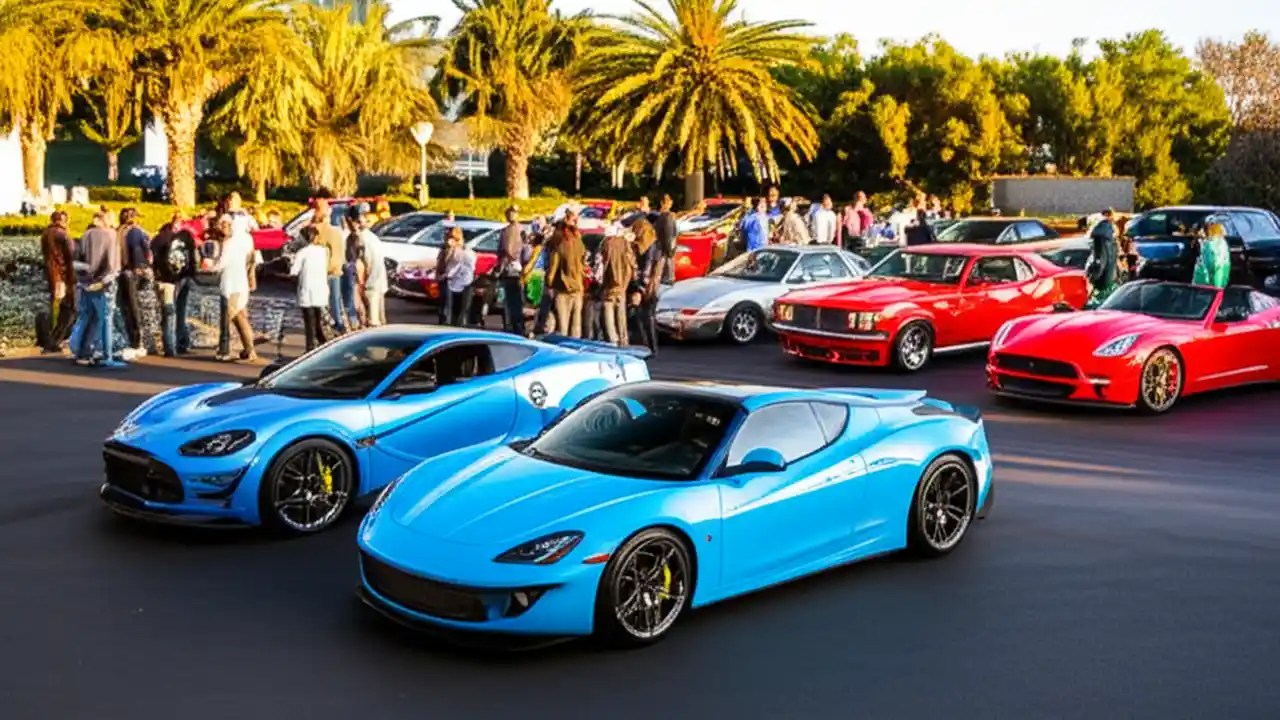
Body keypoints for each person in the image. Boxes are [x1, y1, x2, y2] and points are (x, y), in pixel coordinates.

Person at [72, 212, 124, 367]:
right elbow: (113, 264)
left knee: (88, 317)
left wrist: (85, 278)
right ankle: (106, 355)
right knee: (106, 318)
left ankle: (83, 352)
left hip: (86, 282)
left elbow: (77, 260)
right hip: (103, 283)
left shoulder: (86, 234)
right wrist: (106, 279)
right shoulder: (111, 235)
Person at [214, 213, 260, 362]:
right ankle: (248, 349)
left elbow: (222, 263)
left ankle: (248, 349)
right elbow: (252, 260)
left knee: (237, 317)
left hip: (231, 283)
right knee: (240, 315)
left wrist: (211, 267)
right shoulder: (247, 241)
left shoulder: (231, 243)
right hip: (241, 282)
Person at [151, 211, 198, 357]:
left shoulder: (158, 240)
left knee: (169, 313)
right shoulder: (187, 237)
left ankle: (170, 347)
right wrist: (193, 273)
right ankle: (183, 342)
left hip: (167, 280)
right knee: (182, 310)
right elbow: (194, 256)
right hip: (185, 276)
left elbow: (151, 259)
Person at [39, 211, 76, 353]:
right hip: (63, 276)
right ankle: (55, 339)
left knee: (51, 308)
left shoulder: (46, 234)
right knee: (70, 308)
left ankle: (49, 339)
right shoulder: (63, 235)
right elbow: (71, 257)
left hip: (51, 274)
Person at [545, 209, 587, 338]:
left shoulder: (559, 244)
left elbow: (553, 268)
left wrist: (548, 285)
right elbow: (583, 263)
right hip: (578, 288)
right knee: (576, 326)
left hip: (562, 288)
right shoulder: (580, 243)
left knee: (563, 327)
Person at [116, 208, 151, 358]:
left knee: (123, 307)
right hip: (132, 271)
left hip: (119, 272)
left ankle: (127, 339)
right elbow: (138, 249)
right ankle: (137, 341)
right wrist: (141, 268)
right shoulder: (135, 232)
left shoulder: (118, 232)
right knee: (134, 307)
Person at [290, 225, 330, 351]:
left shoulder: (302, 253)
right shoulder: (323, 251)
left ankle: (310, 346)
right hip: (320, 289)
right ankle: (322, 342)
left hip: (306, 290)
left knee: (309, 322)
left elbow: (294, 271)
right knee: (318, 319)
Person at [314, 199, 348, 333]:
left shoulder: (323, 231)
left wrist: (330, 269)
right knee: (335, 298)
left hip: (327, 270)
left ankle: (335, 324)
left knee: (329, 300)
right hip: (333, 269)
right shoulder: (335, 231)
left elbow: (332, 253)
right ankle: (338, 323)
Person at [633, 218, 667, 355]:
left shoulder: (648, 248)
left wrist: (640, 289)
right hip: (654, 286)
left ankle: (648, 346)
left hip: (647, 287)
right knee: (650, 316)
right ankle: (653, 346)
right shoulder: (657, 245)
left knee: (644, 317)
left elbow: (646, 270)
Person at [350, 206, 388, 326]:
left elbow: (369, 264)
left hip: (371, 285)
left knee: (374, 322)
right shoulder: (371, 237)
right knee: (379, 320)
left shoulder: (363, 239)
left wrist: (367, 287)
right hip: (377, 283)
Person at [599, 223, 636, 345]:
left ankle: (613, 339)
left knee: (608, 311)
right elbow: (632, 263)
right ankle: (623, 339)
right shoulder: (625, 244)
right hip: (622, 283)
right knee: (621, 313)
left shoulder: (605, 244)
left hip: (609, 283)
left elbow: (602, 265)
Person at [497, 206, 526, 335]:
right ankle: (511, 325)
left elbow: (523, 250)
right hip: (507, 269)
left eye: (513, 213)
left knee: (515, 301)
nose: (511, 216)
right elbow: (501, 250)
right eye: (509, 213)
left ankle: (518, 327)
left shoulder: (521, 230)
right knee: (508, 301)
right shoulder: (505, 231)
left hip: (516, 269)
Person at [443, 226, 476, 326]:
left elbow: (456, 266)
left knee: (461, 309)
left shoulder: (466, 252)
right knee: (453, 309)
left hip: (463, 282)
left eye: (454, 238)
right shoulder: (449, 250)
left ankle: (459, 326)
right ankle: (453, 325)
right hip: (454, 282)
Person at [1086, 209, 1120, 308]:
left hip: (1101, 281)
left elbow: (1100, 261)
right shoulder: (1109, 237)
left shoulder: (1099, 237)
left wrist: (1093, 277)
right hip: (1109, 279)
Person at [1194, 222, 1231, 288]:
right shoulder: (1218, 242)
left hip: (1206, 285)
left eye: (1202, 229)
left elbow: (1216, 267)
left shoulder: (1213, 244)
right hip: (1211, 283)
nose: (1199, 232)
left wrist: (1216, 289)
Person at [654, 195, 678, 284]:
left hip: (660, 247)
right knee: (668, 271)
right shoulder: (668, 217)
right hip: (666, 248)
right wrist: (670, 249)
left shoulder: (660, 216)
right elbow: (670, 235)